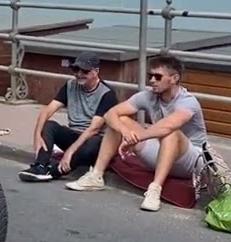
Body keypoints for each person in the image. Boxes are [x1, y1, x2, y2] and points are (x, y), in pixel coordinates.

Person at [66, 53, 208, 213]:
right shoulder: (148, 96)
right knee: (120, 121)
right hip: (160, 152)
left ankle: (154, 190)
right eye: (150, 76)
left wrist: (134, 138)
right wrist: (124, 131)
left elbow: (167, 126)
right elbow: (110, 114)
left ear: (174, 78)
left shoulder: (187, 101)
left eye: (158, 76)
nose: (152, 80)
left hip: (191, 161)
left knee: (171, 133)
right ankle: (96, 176)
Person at [18, 51, 118, 183]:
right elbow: (47, 110)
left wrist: (70, 151)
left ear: (96, 72)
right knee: (49, 125)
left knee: (94, 142)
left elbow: (93, 129)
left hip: (91, 140)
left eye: (85, 71)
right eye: (76, 70)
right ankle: (40, 166)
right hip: (74, 135)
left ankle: (54, 172)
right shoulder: (70, 86)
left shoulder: (107, 94)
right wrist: (37, 136)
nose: (79, 74)